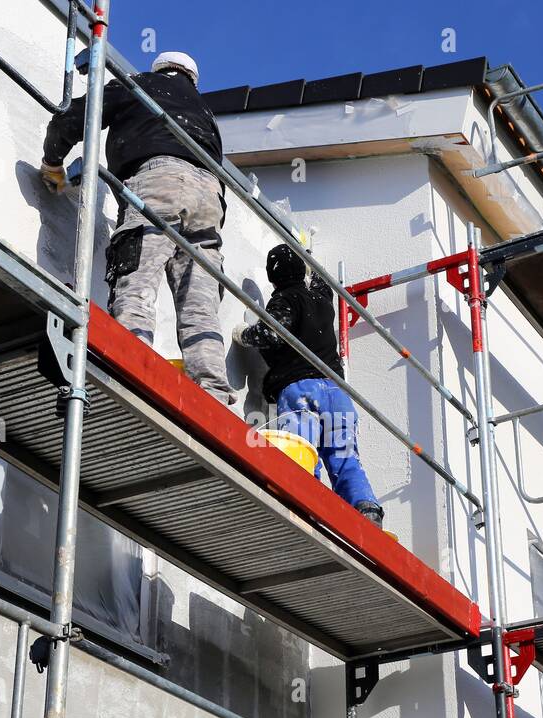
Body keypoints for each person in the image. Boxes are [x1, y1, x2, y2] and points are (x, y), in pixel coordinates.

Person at [40, 51, 233, 404]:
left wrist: (52, 160)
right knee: (200, 302)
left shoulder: (140, 85)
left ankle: (130, 363)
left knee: (137, 278)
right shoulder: (205, 114)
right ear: (192, 78)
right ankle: (214, 391)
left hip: (160, 179)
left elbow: (77, 116)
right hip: (211, 198)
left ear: (157, 69)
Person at [234, 244, 384, 528]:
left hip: (302, 390)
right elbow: (323, 283)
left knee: (305, 452)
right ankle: (365, 509)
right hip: (336, 392)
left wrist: (244, 335)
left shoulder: (284, 299)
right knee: (344, 455)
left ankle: (309, 508)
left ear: (272, 276)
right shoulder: (322, 299)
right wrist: (309, 259)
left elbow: (270, 333)